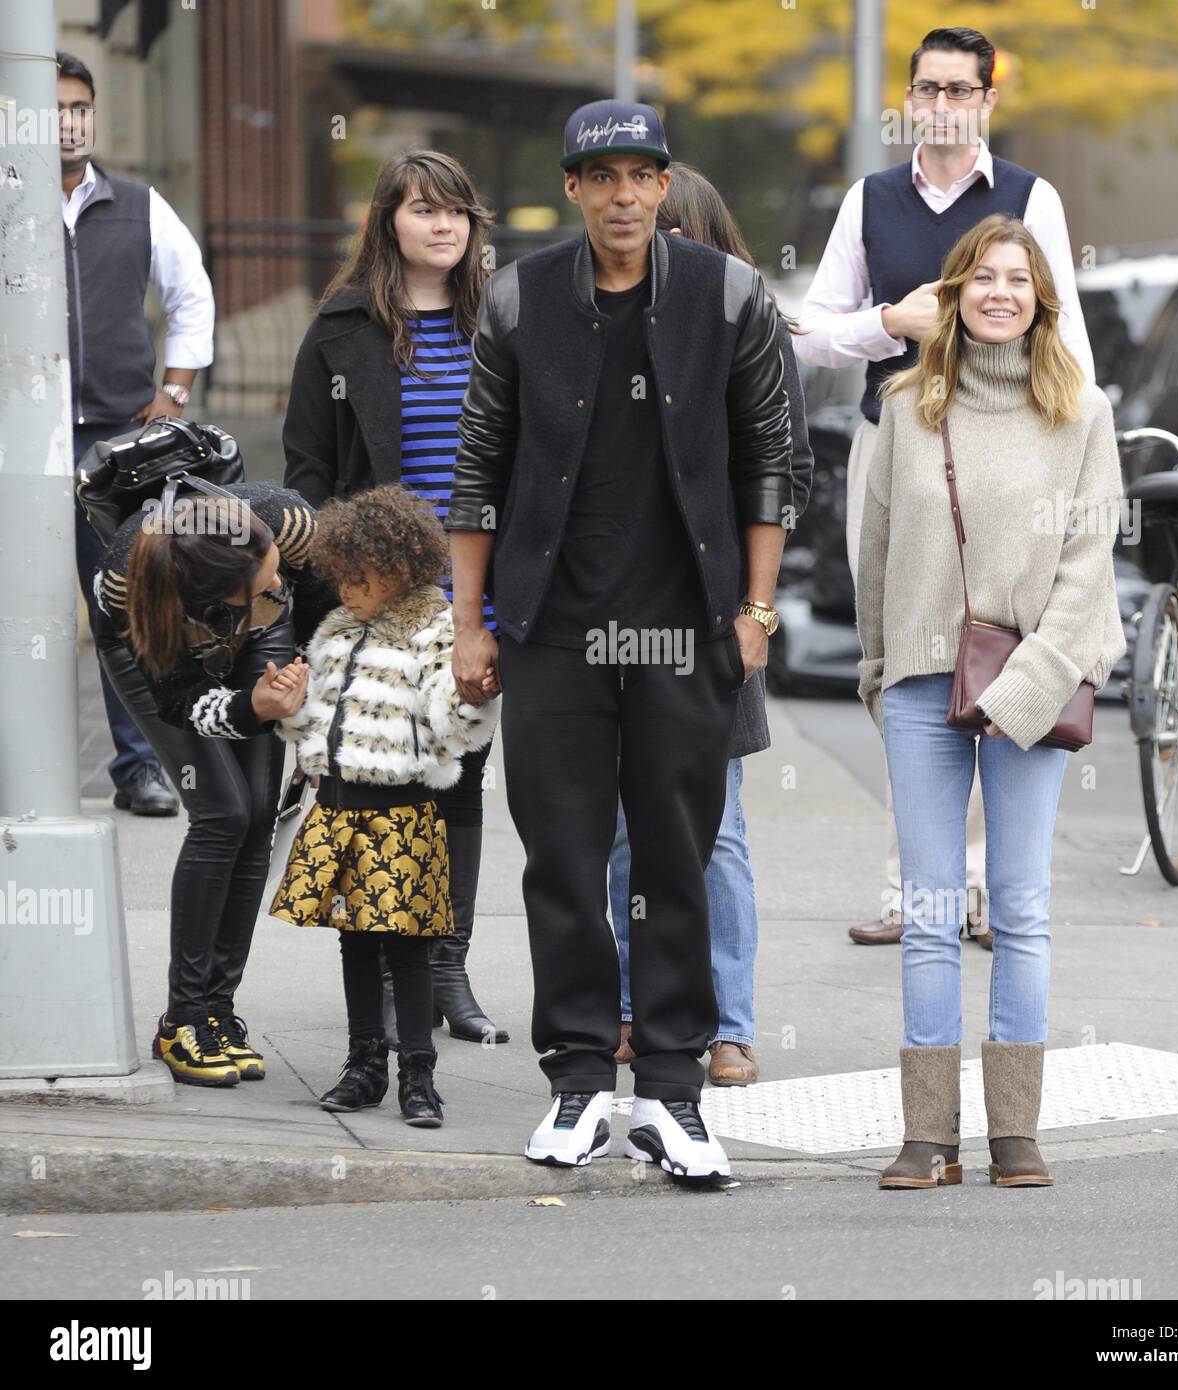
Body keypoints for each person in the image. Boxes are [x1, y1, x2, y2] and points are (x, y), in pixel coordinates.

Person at [447, 99, 792, 1180]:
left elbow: (771, 464)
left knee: (678, 860)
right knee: (563, 860)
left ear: (663, 185)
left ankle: (678, 1097)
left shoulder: (730, 296)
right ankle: (580, 1082)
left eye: (643, 176)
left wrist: (757, 611)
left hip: (684, 629)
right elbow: (480, 470)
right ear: (575, 190)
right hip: (554, 629)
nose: (625, 195)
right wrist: (469, 620)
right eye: (603, 178)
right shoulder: (518, 297)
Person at [792, 26, 1095, 947]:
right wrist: (889, 322)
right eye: (928, 89)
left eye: (961, 89)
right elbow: (809, 331)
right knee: (902, 664)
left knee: (999, 649)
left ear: (987, 101)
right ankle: (912, 887)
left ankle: (986, 893)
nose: (943, 105)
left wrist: (1077, 448)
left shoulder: (1027, 197)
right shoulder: (870, 199)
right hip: (898, 456)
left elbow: (1065, 329)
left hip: (1009, 458)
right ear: (910, 100)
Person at [855, 214, 1127, 1189]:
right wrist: (878, 671)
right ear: (957, 294)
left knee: (1018, 908)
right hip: (924, 689)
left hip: (1037, 690)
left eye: (1019, 279)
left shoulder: (1079, 413)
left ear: (1041, 299)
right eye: (983, 279)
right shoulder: (908, 406)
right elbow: (877, 550)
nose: (1000, 293)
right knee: (930, 910)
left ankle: (1017, 1132)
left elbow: (1091, 570)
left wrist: (1020, 692)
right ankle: (927, 1138)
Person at [282, 150, 507, 1045]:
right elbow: (307, 475)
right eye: (422, 210)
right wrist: (342, 593)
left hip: (477, 596)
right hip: (384, 598)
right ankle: (378, 975)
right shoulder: (341, 327)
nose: (443, 225)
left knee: (459, 780)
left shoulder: (501, 318)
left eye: (456, 209)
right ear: (388, 223)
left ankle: (446, 968)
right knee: (374, 787)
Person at [608, 161, 814, 1087]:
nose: (665, 249)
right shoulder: (602, 320)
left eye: (679, 231)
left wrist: (750, 602)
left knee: (716, 830)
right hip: (613, 617)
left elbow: (789, 469)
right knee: (621, 829)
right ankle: (628, 1007)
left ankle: (727, 1025)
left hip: (718, 612)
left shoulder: (747, 327)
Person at [270, 487, 499, 1128]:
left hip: (399, 813)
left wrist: (469, 695)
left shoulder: (432, 630)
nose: (347, 591)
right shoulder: (337, 631)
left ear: (400, 571)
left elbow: (451, 723)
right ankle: (364, 1063)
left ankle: (418, 1077)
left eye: (362, 580)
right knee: (354, 940)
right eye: (341, 578)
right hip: (337, 807)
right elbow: (314, 715)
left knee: (408, 945)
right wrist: (294, 718)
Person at [94, 482, 324, 1085]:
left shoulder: (286, 526)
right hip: (149, 638)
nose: (277, 578)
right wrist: (249, 710)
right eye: (263, 577)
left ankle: (218, 1010)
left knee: (256, 815)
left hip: (262, 629)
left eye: (277, 569)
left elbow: (323, 598)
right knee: (222, 813)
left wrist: (302, 702)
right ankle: (182, 1021)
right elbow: (178, 701)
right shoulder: (130, 589)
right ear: (215, 591)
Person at [59, 50, 215, 817]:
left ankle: (140, 768)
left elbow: (192, 292)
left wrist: (175, 390)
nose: (68, 121)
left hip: (115, 441)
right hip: (18, 442)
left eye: (79, 106)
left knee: (126, 603)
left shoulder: (137, 204)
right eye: (52, 107)